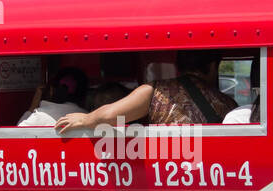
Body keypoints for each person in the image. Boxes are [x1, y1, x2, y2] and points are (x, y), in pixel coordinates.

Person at [55, 50, 236, 132]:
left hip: (166, 174)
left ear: (178, 64)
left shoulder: (155, 91)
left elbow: (110, 115)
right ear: (213, 66)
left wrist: (85, 119)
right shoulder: (228, 104)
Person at [16, 67, 88, 126]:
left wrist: (32, 108)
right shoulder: (87, 117)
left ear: (51, 90)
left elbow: (18, 134)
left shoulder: (40, 116)